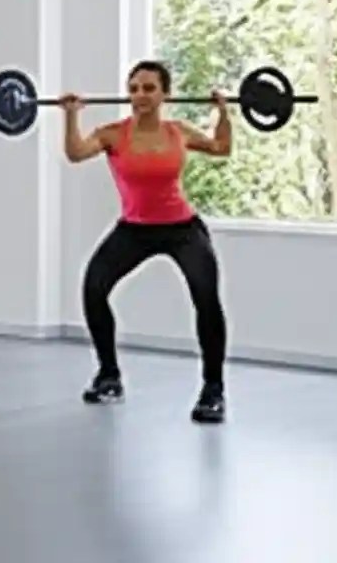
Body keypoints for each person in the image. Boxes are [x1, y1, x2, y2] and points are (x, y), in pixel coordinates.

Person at [61, 60, 230, 424]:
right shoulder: (113, 134)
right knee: (94, 289)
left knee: (207, 301)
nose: (140, 95)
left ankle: (213, 390)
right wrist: (71, 116)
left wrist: (223, 112)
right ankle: (109, 377)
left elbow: (220, 147)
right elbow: (75, 153)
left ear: (165, 94)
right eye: (134, 88)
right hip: (134, 229)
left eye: (149, 88)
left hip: (182, 229)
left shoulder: (178, 132)